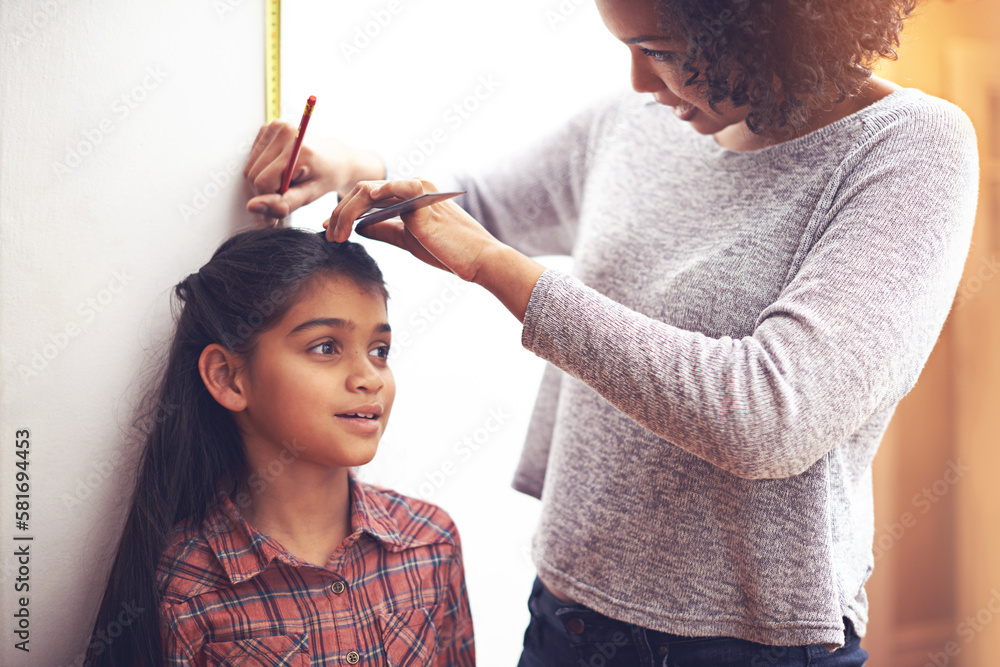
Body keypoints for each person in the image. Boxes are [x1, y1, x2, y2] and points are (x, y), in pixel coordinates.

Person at [242, 0, 979, 663]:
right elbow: (470, 208)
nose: (638, 81)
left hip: (749, 644)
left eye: (661, 50)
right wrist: (351, 167)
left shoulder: (908, 148)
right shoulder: (631, 123)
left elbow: (771, 416)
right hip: (569, 616)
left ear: (764, 25)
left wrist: (499, 270)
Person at [83, 228, 475, 666]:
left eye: (379, 350)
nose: (369, 377)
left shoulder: (431, 542)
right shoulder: (183, 587)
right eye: (326, 347)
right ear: (228, 377)